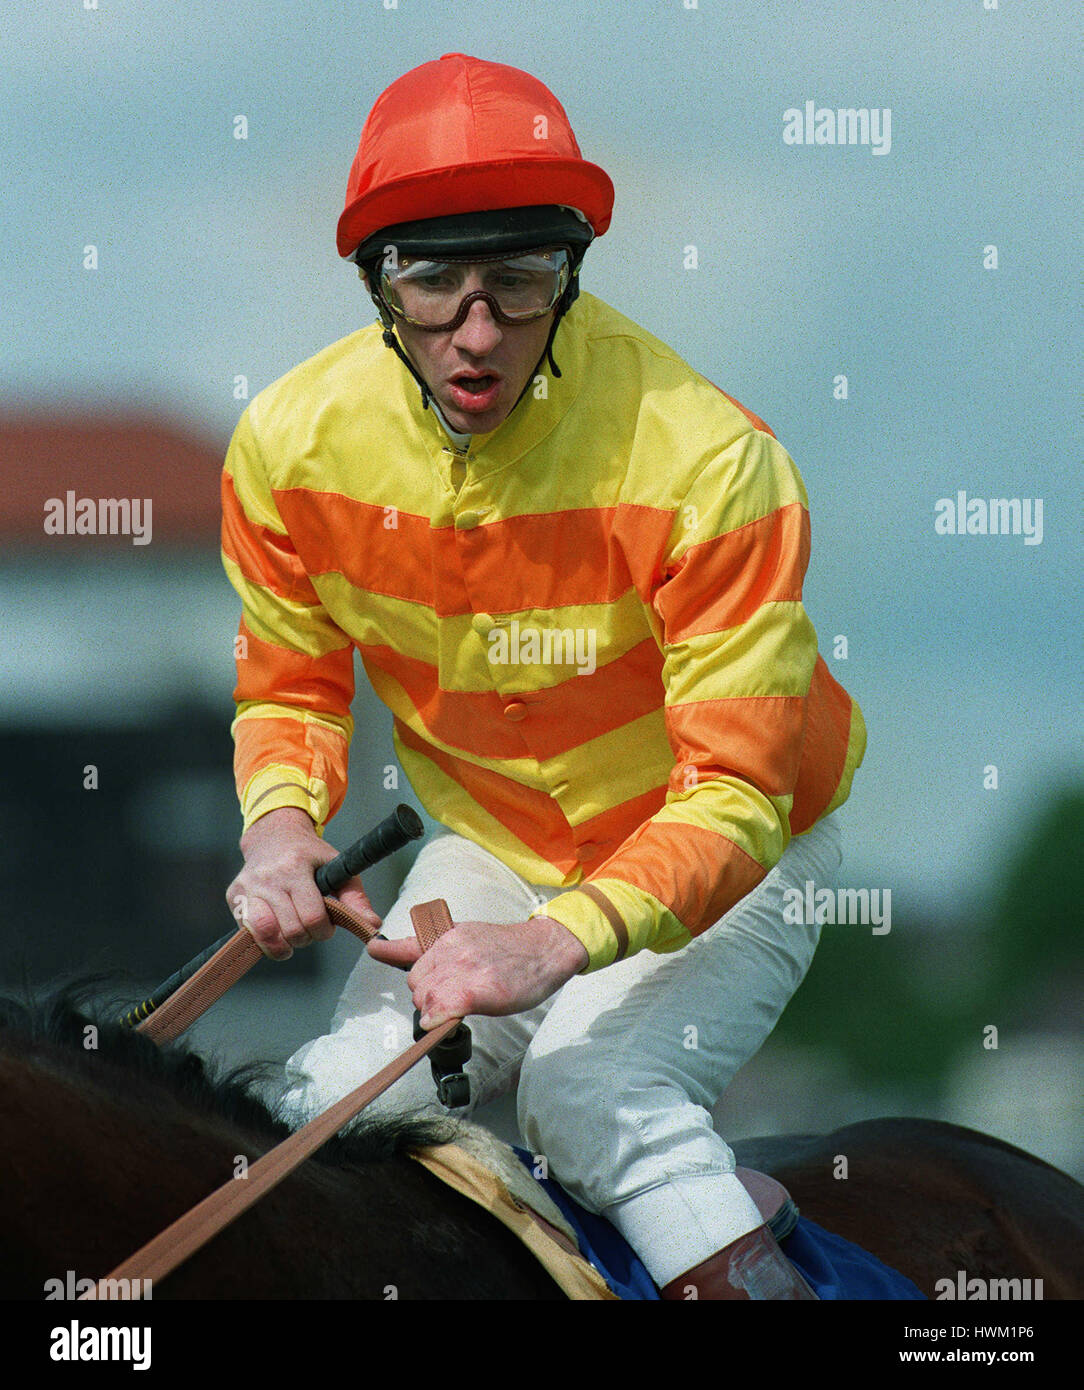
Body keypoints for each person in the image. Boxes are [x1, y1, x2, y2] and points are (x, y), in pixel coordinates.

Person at [221, 53, 865, 1300]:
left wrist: (551, 945)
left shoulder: (713, 457)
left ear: (569, 278)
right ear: (375, 281)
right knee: (327, 1101)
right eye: (436, 282)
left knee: (589, 1087)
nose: (478, 331)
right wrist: (281, 828)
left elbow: (733, 794)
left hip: (732, 840)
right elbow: (291, 687)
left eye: (519, 283)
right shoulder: (284, 443)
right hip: (491, 839)